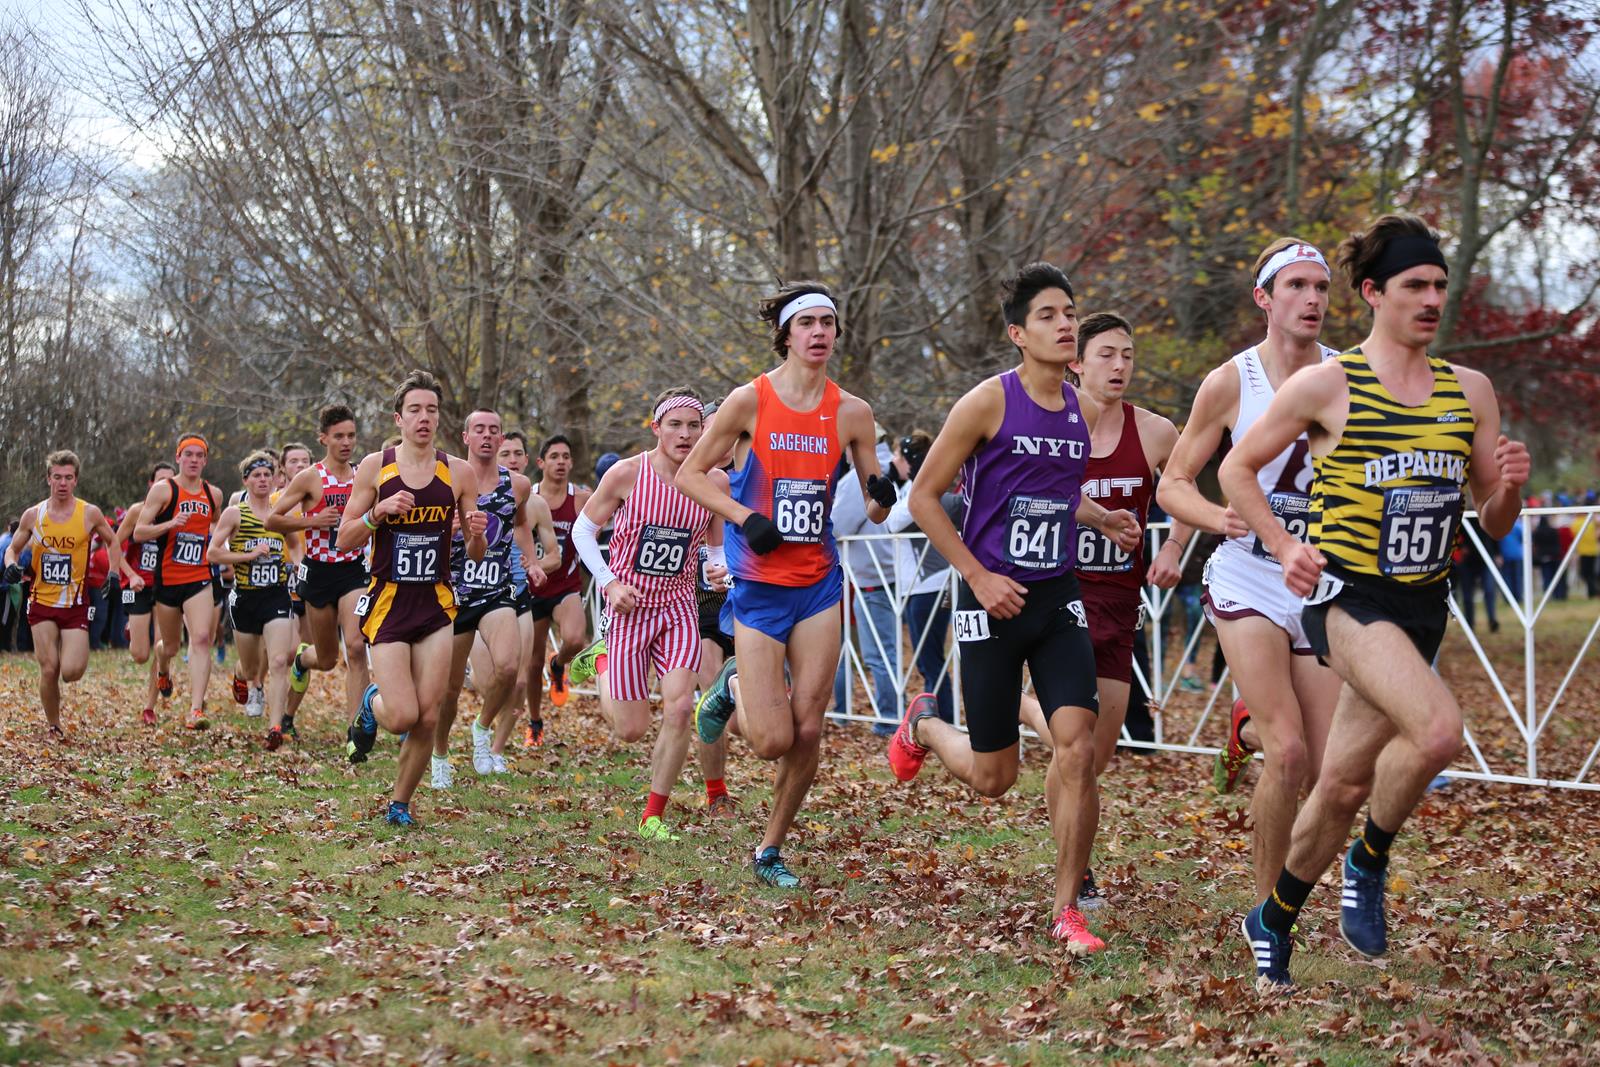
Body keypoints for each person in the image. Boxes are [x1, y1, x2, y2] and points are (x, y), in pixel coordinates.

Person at [1221, 213, 1530, 987]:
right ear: (1372, 294)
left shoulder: (1471, 391)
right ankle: (1369, 859)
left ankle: (1275, 918)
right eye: (1414, 286)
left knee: (1343, 785)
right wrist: (1287, 545)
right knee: (1437, 731)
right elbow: (1235, 472)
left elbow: (1491, 519)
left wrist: (1511, 490)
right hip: (1348, 599)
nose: (1431, 299)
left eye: (1439, 285)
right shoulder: (1327, 384)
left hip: (1425, 604)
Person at [882, 263, 1141, 954]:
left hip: (1057, 596)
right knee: (995, 778)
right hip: (987, 598)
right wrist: (978, 574)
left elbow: (1051, 491)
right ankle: (927, 724)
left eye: (1072, 313)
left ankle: (1067, 909)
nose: (1067, 324)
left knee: (1079, 747)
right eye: (1052, 315)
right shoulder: (986, 403)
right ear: (1019, 333)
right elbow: (924, 498)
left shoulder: (1077, 411)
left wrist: (1099, 517)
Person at [680, 280, 896, 888]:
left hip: (819, 582)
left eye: (829, 323)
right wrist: (746, 518)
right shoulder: (749, 401)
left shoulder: (853, 412)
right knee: (772, 739)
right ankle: (728, 688)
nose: (821, 332)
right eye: (809, 323)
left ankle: (770, 849)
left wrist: (882, 496)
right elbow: (694, 475)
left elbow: (876, 507)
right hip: (759, 583)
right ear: (787, 333)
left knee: (809, 727)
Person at [1155, 238, 1346, 917]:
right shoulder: (1232, 381)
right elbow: (1173, 483)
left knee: (1325, 772)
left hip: (1319, 581)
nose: (1314, 299)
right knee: (1289, 752)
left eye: (1322, 287)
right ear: (1264, 298)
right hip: (1250, 575)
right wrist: (1217, 517)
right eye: (1296, 286)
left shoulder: (1347, 375)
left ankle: (1248, 727)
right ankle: (1269, 917)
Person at [1015, 311, 1184, 911]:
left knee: (1093, 757)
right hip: (1060, 595)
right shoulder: (1050, 425)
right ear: (1078, 363)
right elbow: (1024, 490)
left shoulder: (1156, 431)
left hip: (1120, 603)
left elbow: (1186, 490)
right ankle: (1075, 876)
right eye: (1107, 355)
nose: (1119, 367)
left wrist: (1172, 545)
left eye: (1128, 355)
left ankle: (1032, 715)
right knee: (1078, 749)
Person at [566, 387, 727, 840]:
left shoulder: (714, 482)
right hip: (629, 608)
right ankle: (601, 659)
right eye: (674, 424)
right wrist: (609, 581)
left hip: (678, 608)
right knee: (631, 730)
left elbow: (714, 550)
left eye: (694, 425)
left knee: (679, 708)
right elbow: (583, 530)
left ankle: (652, 816)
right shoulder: (627, 474)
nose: (685, 434)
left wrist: (719, 571)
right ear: (656, 428)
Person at [340, 369, 488, 828]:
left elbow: (475, 549)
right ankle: (371, 702)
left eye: (431, 410)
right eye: (415, 411)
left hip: (436, 605)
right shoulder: (375, 466)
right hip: (389, 602)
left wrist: (477, 536)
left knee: (429, 715)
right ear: (398, 418)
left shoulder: (457, 472)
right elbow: (344, 538)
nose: (424, 418)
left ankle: (399, 803)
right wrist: (378, 515)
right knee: (402, 715)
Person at [432, 409, 552, 788]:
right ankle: (439, 756)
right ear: (465, 437)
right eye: (479, 430)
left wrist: (529, 561)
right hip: (453, 593)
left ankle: (482, 728)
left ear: (502, 441)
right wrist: (445, 528)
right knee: (448, 690)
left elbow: (519, 525)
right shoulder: (447, 479)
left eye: (494, 431)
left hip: (496, 588)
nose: (487, 436)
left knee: (508, 668)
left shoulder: (518, 485)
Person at [2, 451, 131, 738]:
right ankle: (54, 725)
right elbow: (13, 548)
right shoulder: (34, 515)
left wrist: (112, 573)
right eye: (57, 477)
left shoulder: (90, 513)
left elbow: (113, 542)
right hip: (41, 601)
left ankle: (65, 650)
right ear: (48, 478)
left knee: (70, 671)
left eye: (68, 477)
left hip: (75, 604)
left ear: (76, 480)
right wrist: (10, 565)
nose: (62, 483)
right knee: (49, 669)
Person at [268, 406, 369, 740]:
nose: (346, 442)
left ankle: (356, 731)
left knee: (355, 648)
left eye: (351, 435)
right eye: (338, 436)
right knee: (326, 658)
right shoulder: (310, 477)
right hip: (318, 572)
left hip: (353, 569)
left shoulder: (363, 473)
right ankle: (303, 661)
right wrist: (312, 520)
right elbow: (273, 520)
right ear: (323, 438)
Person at [133, 434, 224, 730]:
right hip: (168, 579)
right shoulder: (164, 490)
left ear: (205, 460)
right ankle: (163, 667)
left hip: (199, 576)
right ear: (178, 458)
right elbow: (139, 532)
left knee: (200, 639)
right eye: (189, 455)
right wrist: (170, 524)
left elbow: (218, 527)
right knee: (169, 646)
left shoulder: (214, 495)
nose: (194, 460)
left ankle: (196, 709)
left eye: (200, 455)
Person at [209, 451, 295, 747]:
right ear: (246, 480)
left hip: (277, 596)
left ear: (274, 480)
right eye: (256, 475)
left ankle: (275, 727)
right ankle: (248, 681)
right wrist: (247, 555)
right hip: (244, 598)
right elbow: (213, 552)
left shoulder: (279, 514)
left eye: (267, 475)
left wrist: (297, 565)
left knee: (280, 660)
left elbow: (295, 544)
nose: (262, 479)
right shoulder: (235, 513)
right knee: (249, 666)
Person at [831, 438, 909, 735]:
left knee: (879, 652)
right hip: (881, 574)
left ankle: (889, 717)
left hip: (874, 578)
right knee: (882, 650)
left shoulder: (859, 478)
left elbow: (838, 525)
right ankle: (884, 713)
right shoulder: (883, 468)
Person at [884, 431, 961, 724]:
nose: (893, 461)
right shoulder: (910, 490)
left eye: (897, 456)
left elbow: (891, 522)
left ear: (910, 460)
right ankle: (936, 723)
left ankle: (942, 723)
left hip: (932, 582)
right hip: (916, 585)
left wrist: (891, 484)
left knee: (931, 661)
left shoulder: (923, 492)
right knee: (927, 661)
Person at [688, 401, 737, 816]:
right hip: (700, 601)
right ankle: (716, 793)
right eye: (712, 427)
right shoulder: (688, 475)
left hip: (746, 599)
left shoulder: (754, 473)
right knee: (709, 694)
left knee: (744, 716)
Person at [526, 435, 591, 740]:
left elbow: (607, 519)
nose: (561, 462)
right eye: (554, 456)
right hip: (532, 588)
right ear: (541, 463)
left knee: (576, 639)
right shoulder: (527, 497)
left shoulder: (580, 499)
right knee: (531, 660)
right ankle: (535, 723)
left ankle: (559, 664)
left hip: (565, 584)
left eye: (566, 456)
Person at [115, 462, 177, 725]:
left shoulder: (180, 514)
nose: (165, 486)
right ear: (151, 485)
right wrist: (131, 574)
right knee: (140, 654)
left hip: (166, 585)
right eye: (160, 481)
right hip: (138, 584)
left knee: (162, 646)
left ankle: (149, 706)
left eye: (170, 482)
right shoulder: (138, 512)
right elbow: (113, 547)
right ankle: (132, 629)